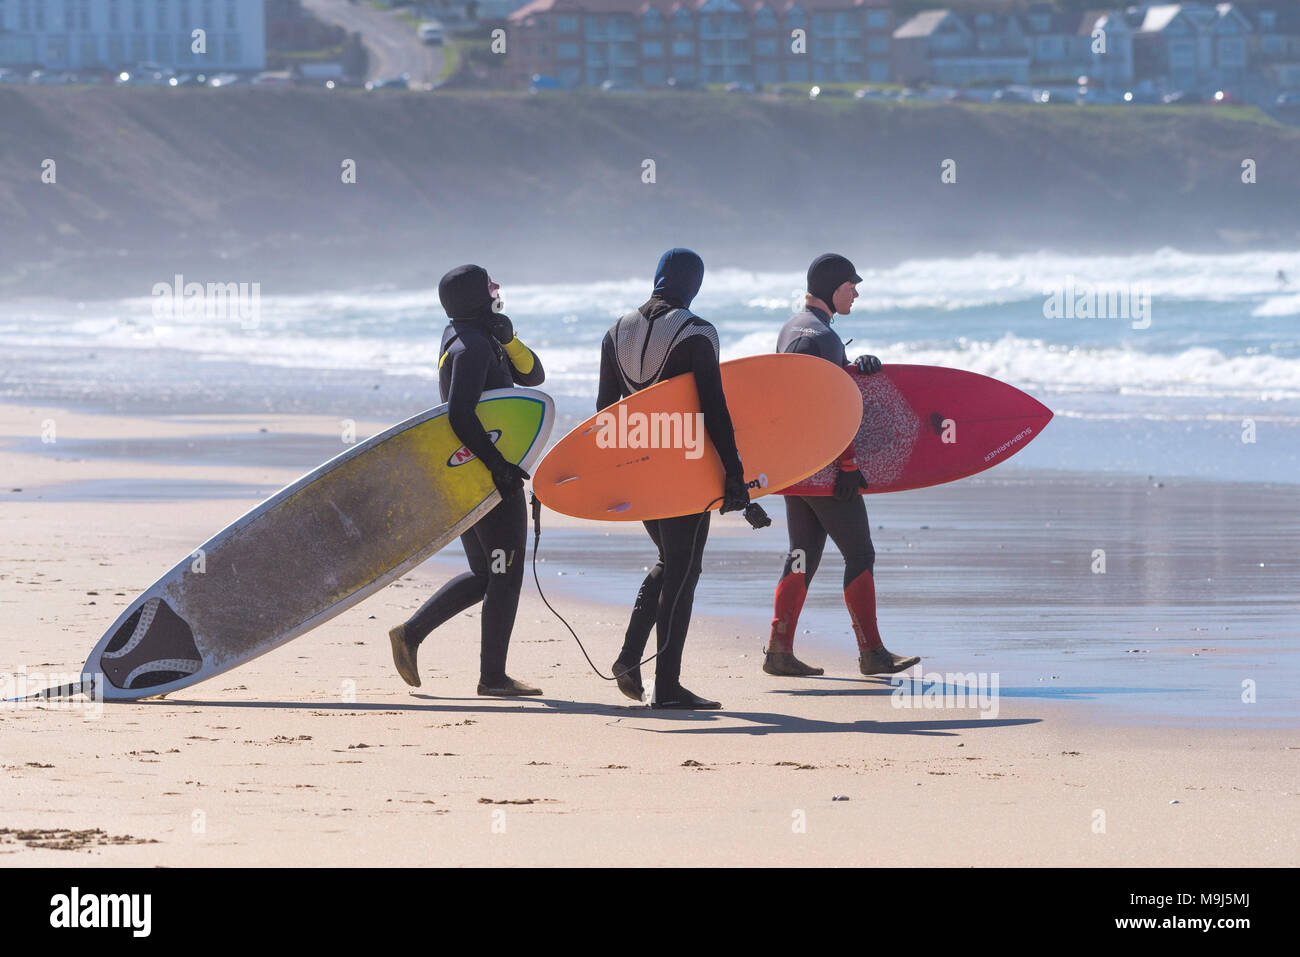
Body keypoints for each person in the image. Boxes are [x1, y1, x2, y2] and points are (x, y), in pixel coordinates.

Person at [599, 248, 750, 710]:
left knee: (672, 561)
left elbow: (605, 413)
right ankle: (667, 688)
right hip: (685, 469)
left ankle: (629, 659)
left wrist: (613, 475)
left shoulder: (615, 332)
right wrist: (735, 475)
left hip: (638, 468)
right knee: (684, 573)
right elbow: (714, 411)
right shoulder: (697, 332)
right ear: (694, 284)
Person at [388, 264, 546, 696]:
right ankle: (493, 678)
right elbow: (460, 414)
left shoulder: (469, 335)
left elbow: (533, 377)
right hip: (485, 477)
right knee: (505, 572)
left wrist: (509, 338)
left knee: (486, 572)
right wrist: (499, 467)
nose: (497, 288)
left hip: (464, 472)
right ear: (478, 297)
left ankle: (410, 634)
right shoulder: (472, 347)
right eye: (489, 284)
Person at [764, 253, 920, 678]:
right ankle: (872, 652)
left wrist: (855, 370)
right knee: (859, 552)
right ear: (834, 287)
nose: (856, 292)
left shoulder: (793, 329)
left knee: (802, 553)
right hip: (826, 466)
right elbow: (831, 409)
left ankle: (779, 650)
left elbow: (797, 396)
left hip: (793, 466)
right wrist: (848, 465)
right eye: (852, 285)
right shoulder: (823, 337)